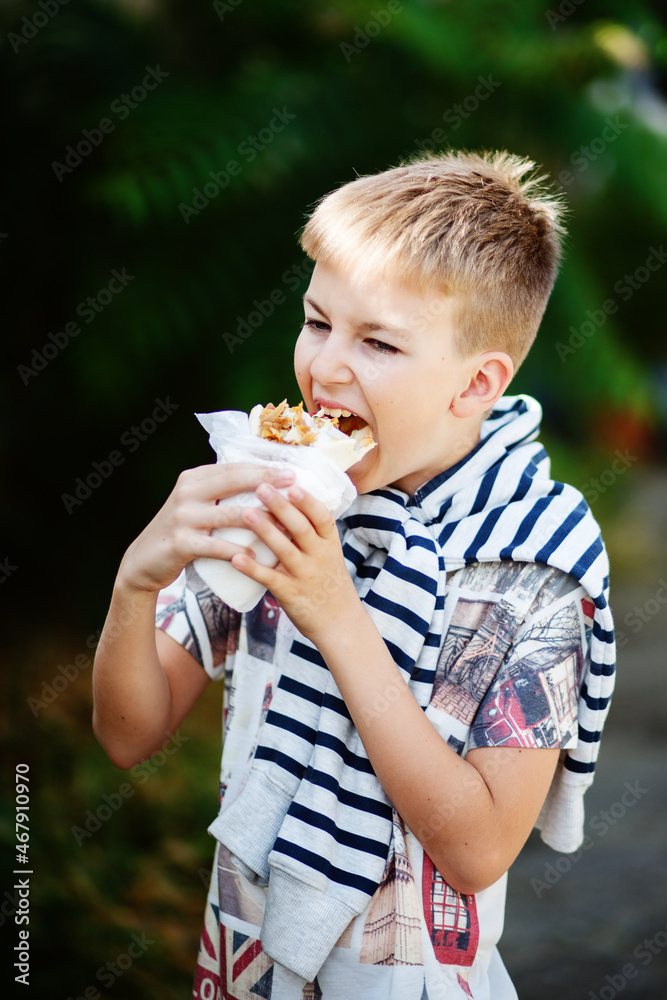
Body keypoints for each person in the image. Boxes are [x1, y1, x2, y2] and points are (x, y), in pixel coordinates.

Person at [92, 150, 616, 1000]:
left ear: (477, 381)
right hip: (238, 967)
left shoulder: (536, 561)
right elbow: (126, 733)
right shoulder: (278, 490)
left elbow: (478, 848)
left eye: (376, 341)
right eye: (315, 321)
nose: (326, 367)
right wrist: (135, 582)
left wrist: (335, 614)